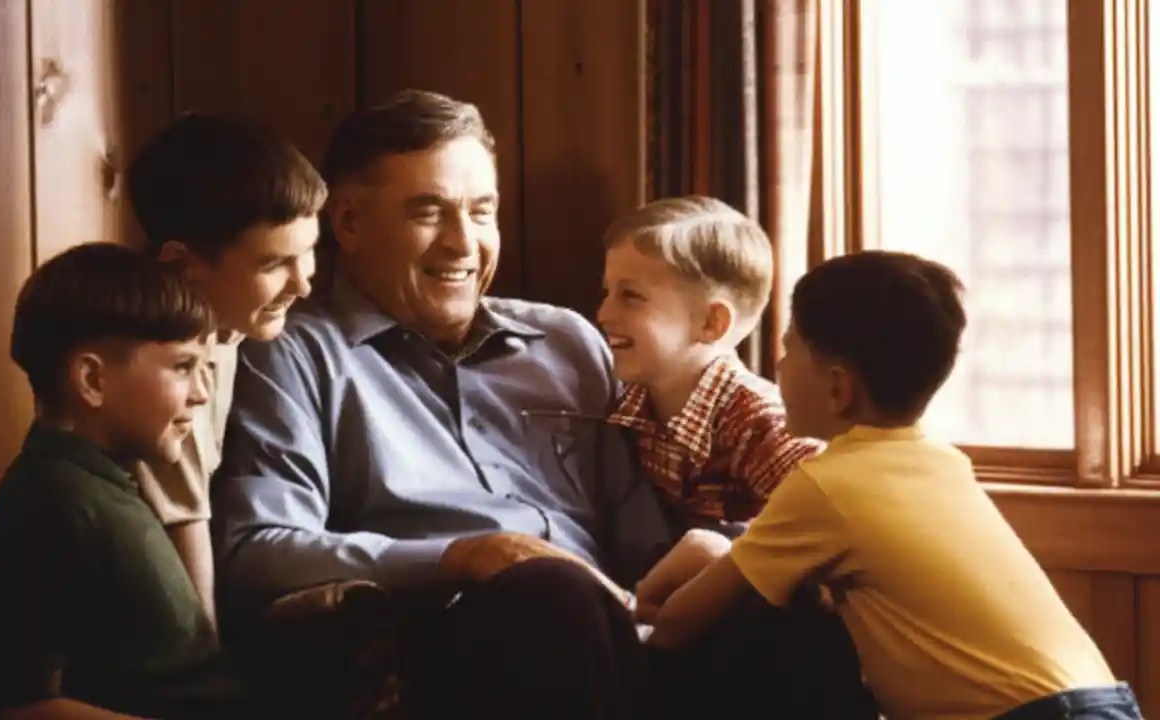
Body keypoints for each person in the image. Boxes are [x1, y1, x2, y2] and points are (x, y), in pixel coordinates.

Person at [210, 89, 677, 718]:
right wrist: (466, 556)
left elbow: (644, 540)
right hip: (453, 650)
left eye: (481, 212)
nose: (463, 244)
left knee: (782, 607)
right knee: (549, 596)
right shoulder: (293, 353)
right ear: (347, 222)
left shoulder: (568, 342)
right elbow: (257, 549)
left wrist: (723, 560)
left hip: (616, 632)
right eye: (429, 212)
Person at [640, 250, 1141, 720]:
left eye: (790, 348)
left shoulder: (825, 485)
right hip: (1101, 700)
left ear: (838, 388)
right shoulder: (942, 461)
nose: (778, 365)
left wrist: (639, 606)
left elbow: (677, 625)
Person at [0, 243, 249, 718]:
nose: (202, 394)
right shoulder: (55, 500)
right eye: (183, 367)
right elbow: (16, 703)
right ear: (92, 381)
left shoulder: (101, 485)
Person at [126, 112, 326, 626]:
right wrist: (212, 680)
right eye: (273, 264)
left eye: (308, 254)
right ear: (180, 265)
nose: (303, 283)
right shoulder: (163, 371)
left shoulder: (228, 331)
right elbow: (183, 529)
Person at [598, 195, 822, 529]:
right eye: (608, 293)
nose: (603, 314)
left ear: (711, 323)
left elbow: (838, 505)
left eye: (631, 296)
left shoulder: (761, 424)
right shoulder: (626, 407)